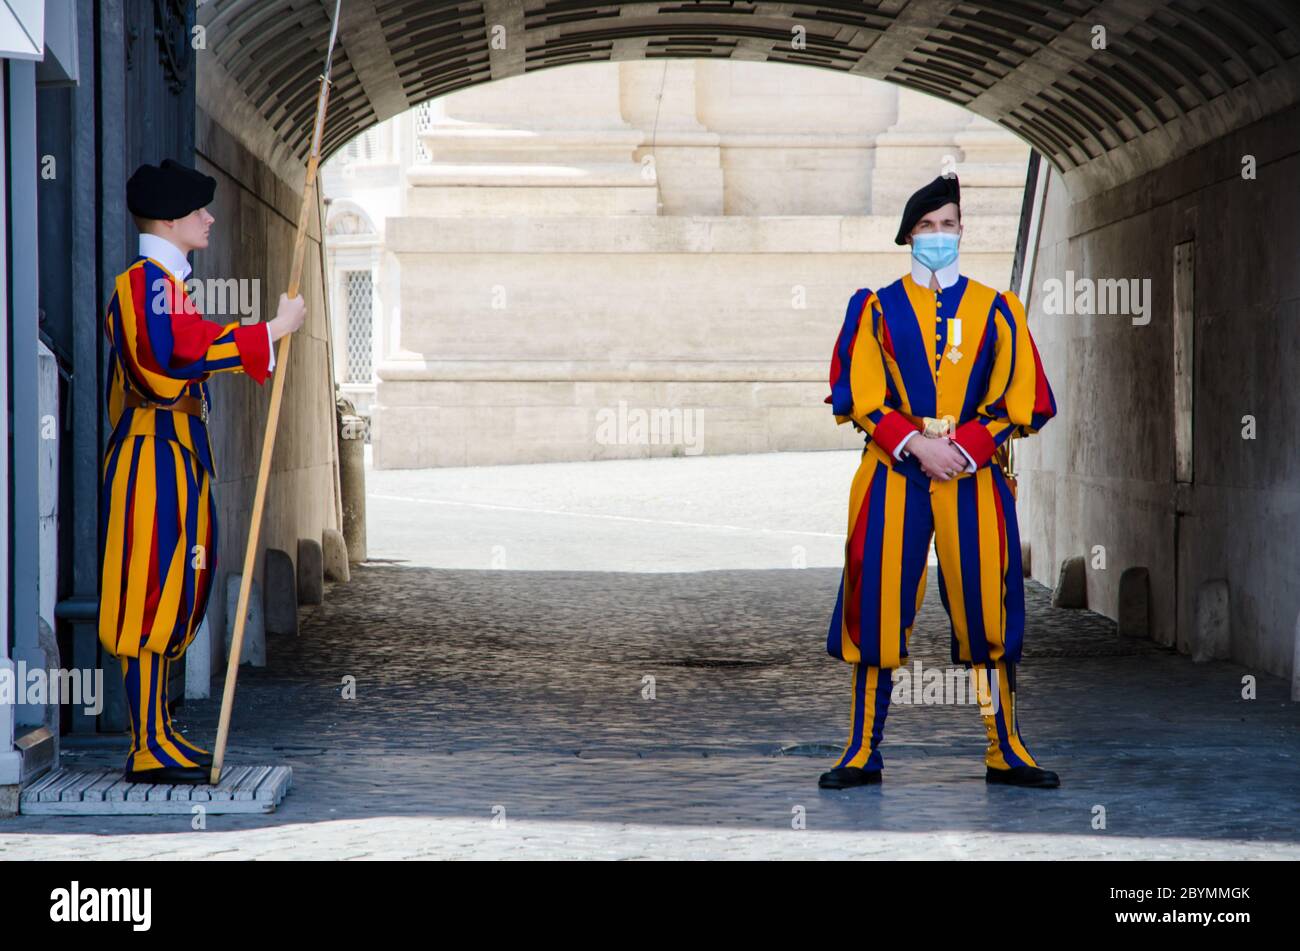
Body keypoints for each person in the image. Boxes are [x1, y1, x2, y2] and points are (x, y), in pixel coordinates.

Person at [819, 173, 1060, 790]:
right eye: (925, 227)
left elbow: (1020, 398)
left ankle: (1004, 748)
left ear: (961, 231)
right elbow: (860, 397)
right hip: (892, 476)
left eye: (947, 225)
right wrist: (918, 444)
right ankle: (860, 751)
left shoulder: (997, 307)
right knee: (876, 607)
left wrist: (967, 447)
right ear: (908, 236)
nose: (937, 236)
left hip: (972, 476)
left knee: (987, 610)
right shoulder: (875, 308)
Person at [97, 158, 307, 784]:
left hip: (177, 455)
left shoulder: (169, 284)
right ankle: (145, 744)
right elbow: (165, 365)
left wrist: (260, 338)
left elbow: (192, 348)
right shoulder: (142, 285)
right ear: (168, 219)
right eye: (197, 211)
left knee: (176, 592)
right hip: (150, 457)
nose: (210, 219)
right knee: (147, 593)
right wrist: (266, 331)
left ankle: (159, 732)